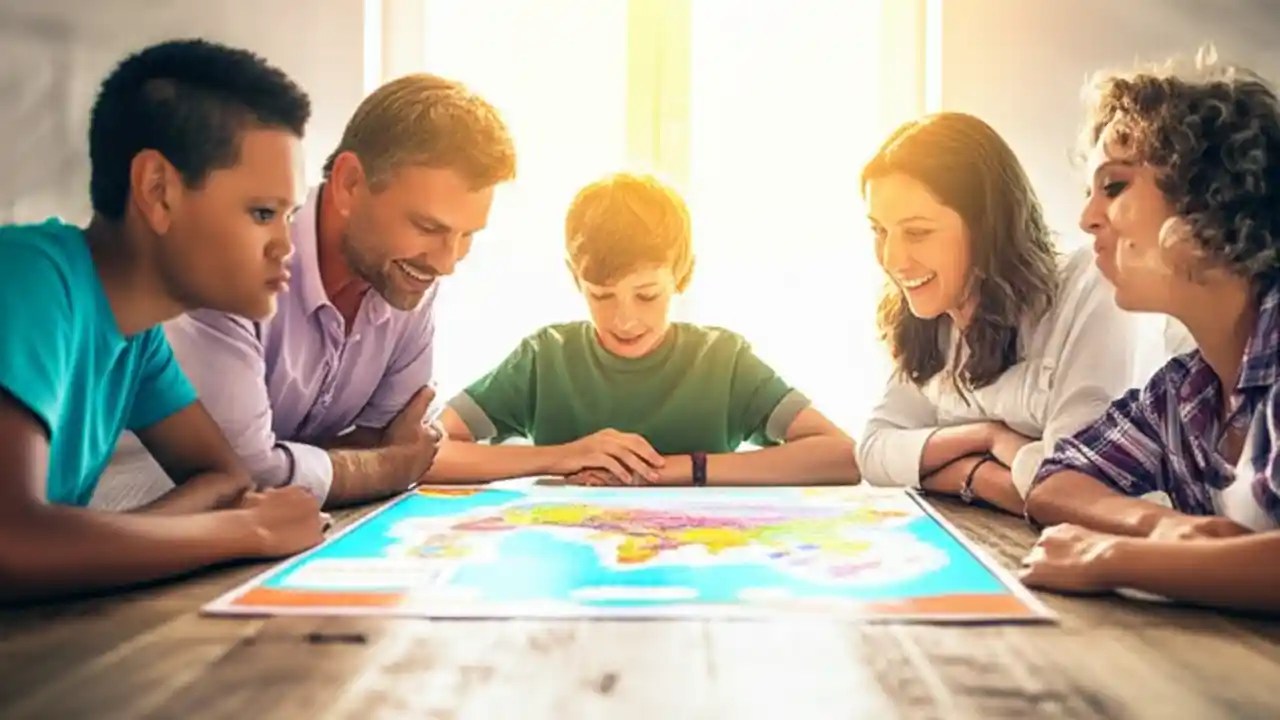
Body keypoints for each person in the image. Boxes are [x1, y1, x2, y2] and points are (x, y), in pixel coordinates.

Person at [0, 39, 326, 602]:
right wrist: (246, 530)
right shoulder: (29, 277)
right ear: (157, 191)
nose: (286, 244)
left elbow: (226, 479)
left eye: (290, 215)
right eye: (263, 213)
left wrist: (95, 542)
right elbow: (12, 542)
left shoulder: (138, 336)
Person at [154, 73, 517, 508]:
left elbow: (392, 439)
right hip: (133, 535)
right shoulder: (232, 259)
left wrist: (373, 463)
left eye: (467, 236)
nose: (446, 262)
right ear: (348, 183)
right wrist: (384, 467)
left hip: (261, 544)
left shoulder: (408, 276)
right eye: (426, 227)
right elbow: (240, 475)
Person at [1021, 54, 1280, 613]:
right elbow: (1055, 479)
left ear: (1210, 198)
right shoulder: (1184, 391)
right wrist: (1163, 529)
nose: (1088, 217)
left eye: (1113, 186)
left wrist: (1112, 557)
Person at [429, 173, 858, 487]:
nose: (625, 320)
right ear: (575, 278)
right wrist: (561, 458)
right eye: (601, 295)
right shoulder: (546, 358)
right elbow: (429, 454)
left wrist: (672, 470)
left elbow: (842, 456)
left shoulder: (722, 360)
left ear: (682, 275)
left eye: (648, 295)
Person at [857, 112, 1145, 515]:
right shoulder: (931, 314)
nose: (892, 259)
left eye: (917, 232)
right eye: (879, 231)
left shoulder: (1089, 285)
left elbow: (1075, 486)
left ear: (986, 226)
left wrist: (944, 465)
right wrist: (986, 442)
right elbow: (873, 452)